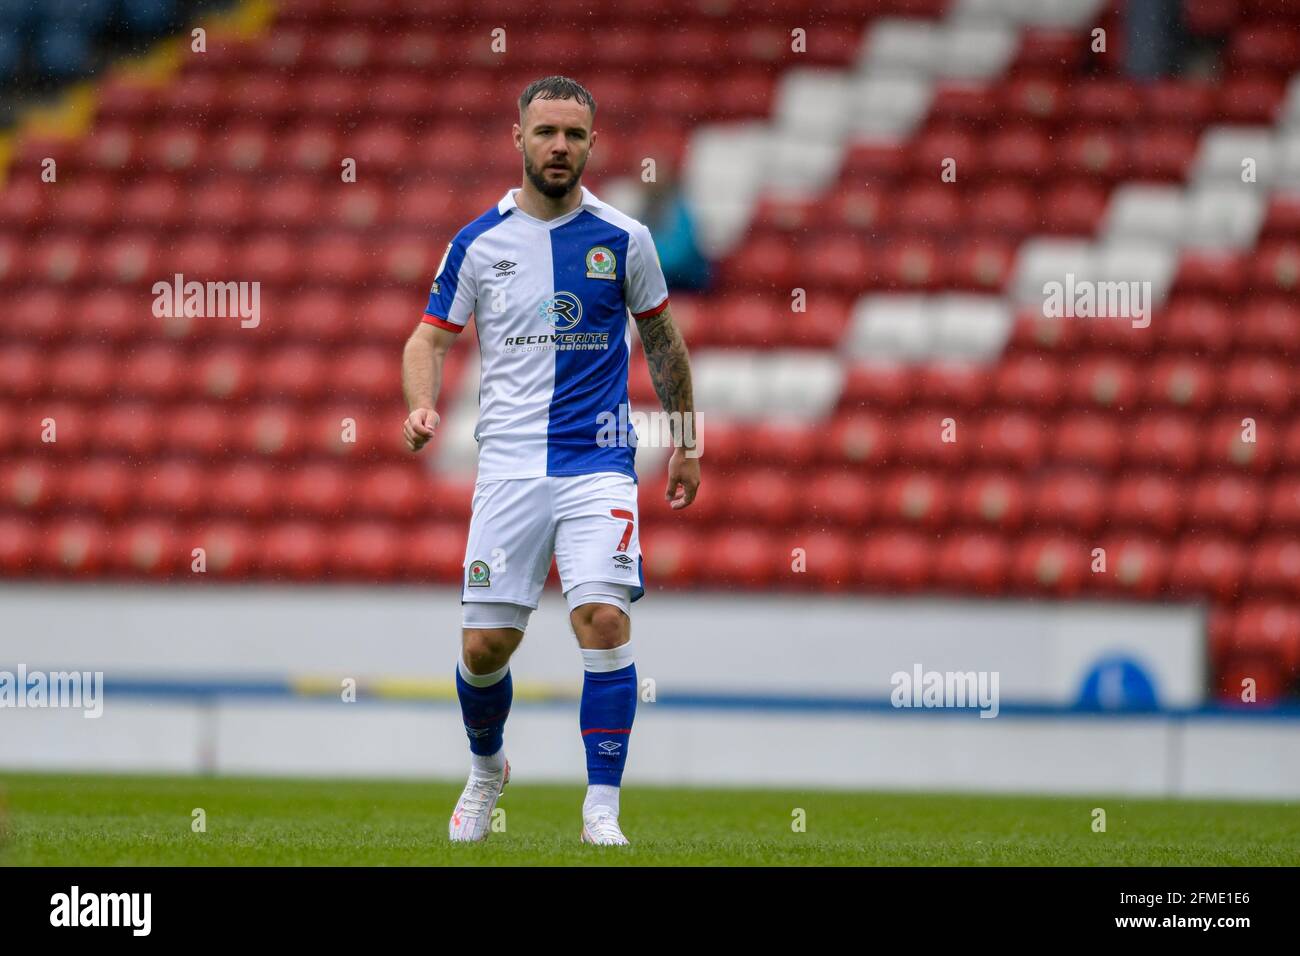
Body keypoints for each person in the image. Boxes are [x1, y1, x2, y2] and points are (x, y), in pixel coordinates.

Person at [400, 75, 701, 846]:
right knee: (483, 647)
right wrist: (422, 403)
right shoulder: (477, 242)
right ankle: (487, 768)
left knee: (602, 618)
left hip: (597, 463)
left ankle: (601, 808)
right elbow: (428, 338)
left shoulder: (622, 239)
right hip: (507, 469)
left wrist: (687, 441)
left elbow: (663, 342)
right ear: (518, 138)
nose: (559, 146)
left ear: (593, 143)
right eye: (546, 132)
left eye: (573, 134)